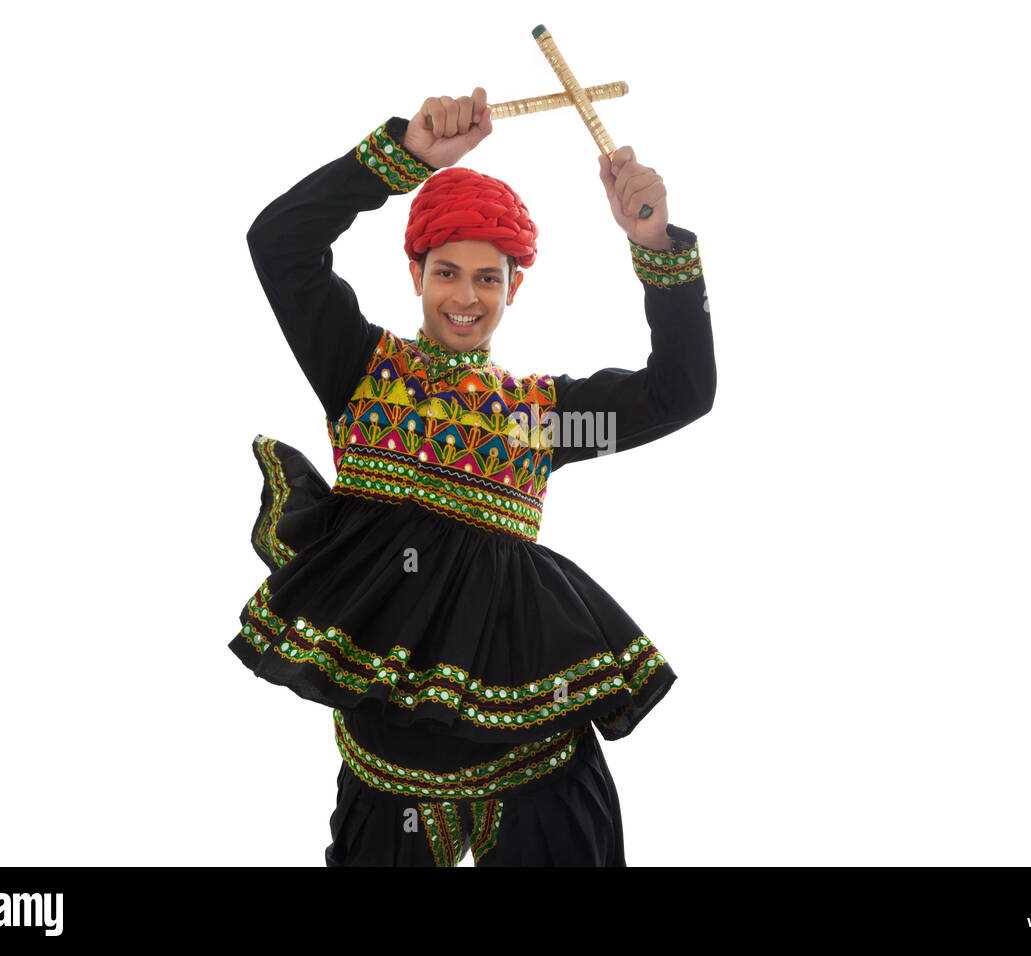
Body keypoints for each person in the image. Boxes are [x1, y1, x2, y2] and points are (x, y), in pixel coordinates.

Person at [231, 86, 715, 866]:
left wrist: (654, 243)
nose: (465, 297)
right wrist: (406, 158)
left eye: (487, 278)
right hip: (385, 776)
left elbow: (681, 392)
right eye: (447, 272)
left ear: (513, 287)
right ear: (416, 272)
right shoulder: (359, 371)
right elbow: (278, 244)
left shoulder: (538, 419)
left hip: (539, 771)